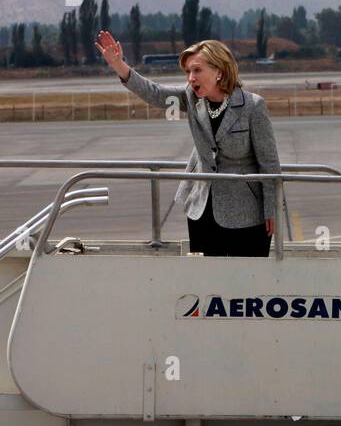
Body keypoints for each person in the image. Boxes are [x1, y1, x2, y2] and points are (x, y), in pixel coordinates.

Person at [95, 30, 281, 257]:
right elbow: (154, 93)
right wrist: (119, 65)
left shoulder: (252, 106)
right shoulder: (191, 98)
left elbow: (269, 162)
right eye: (188, 71)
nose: (190, 78)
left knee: (244, 283)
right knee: (207, 285)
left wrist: (272, 209)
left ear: (219, 72)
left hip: (246, 214)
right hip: (202, 208)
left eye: (197, 70)